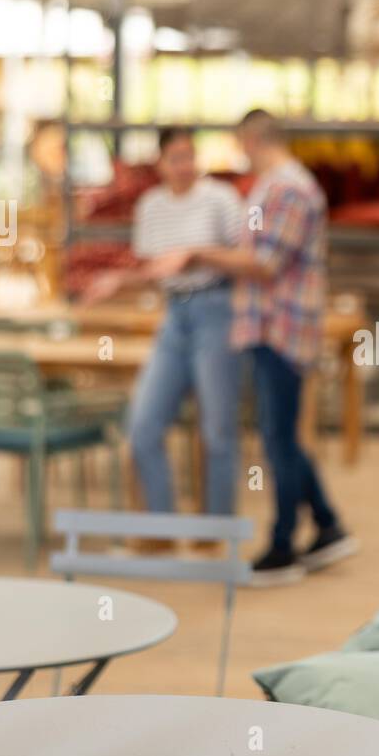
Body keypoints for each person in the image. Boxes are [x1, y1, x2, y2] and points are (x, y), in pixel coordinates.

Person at [176, 109, 357, 587]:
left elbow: (265, 264)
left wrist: (200, 253)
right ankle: (326, 524)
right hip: (265, 325)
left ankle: (283, 544)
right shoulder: (272, 187)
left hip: (281, 327)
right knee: (280, 434)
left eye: (242, 146)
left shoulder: (288, 190)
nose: (241, 156)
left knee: (277, 438)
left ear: (256, 140)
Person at [80, 126, 246, 533]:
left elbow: (246, 257)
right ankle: (162, 527)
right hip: (175, 315)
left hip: (216, 308)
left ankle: (215, 529)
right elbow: (154, 269)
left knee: (218, 429)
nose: (185, 165)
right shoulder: (151, 206)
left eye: (191, 156)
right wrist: (119, 281)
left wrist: (197, 256)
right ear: (161, 164)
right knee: (144, 426)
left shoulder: (221, 200)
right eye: (176, 158)